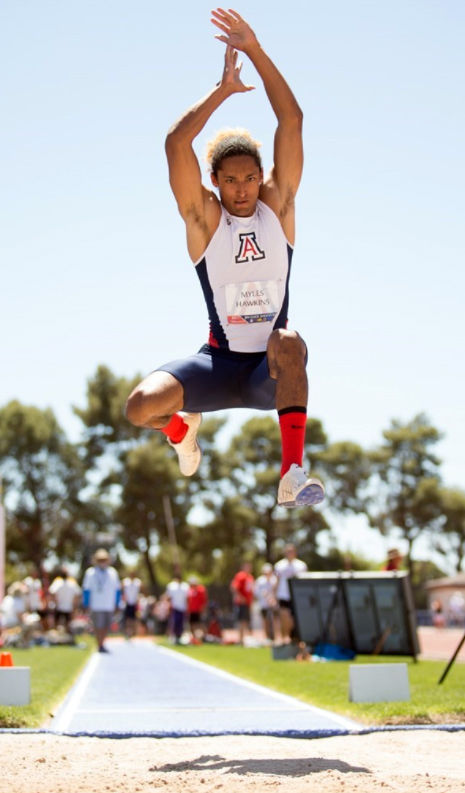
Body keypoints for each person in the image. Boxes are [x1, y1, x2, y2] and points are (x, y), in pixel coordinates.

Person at [125, 8, 325, 510]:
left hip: (267, 375)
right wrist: (222, 90)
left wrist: (254, 49)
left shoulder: (279, 209)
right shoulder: (204, 221)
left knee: (290, 340)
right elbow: (176, 143)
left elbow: (292, 120)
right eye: (230, 180)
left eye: (250, 178)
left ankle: (292, 473)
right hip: (216, 366)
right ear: (214, 181)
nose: (242, 189)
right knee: (139, 407)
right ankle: (181, 432)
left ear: (262, 178)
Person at [82, 549, 121, 653]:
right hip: (96, 605)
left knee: (106, 626)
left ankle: (101, 643)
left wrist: (117, 603)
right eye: (100, 560)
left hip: (109, 604)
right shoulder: (90, 573)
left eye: (104, 560)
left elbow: (117, 589)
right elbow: (86, 589)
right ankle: (100, 644)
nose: (102, 562)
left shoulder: (112, 572)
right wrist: (86, 603)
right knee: (98, 625)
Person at [274, 543, 307, 643]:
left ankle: (295, 638)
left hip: (296, 596)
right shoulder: (279, 565)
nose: (290, 553)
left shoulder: (301, 565)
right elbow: (277, 581)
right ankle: (285, 638)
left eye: (291, 551)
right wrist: (274, 595)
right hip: (283, 595)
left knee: (294, 619)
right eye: (288, 551)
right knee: (284, 616)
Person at [230, 561, 255, 644]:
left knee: (247, 621)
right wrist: (240, 597)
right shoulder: (240, 576)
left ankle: (247, 638)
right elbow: (234, 587)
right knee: (241, 621)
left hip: (248, 603)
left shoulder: (250, 577)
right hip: (241, 603)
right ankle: (241, 639)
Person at [254, 562, 278, 642]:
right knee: (265, 621)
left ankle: (276, 637)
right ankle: (267, 637)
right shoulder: (260, 580)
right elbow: (256, 592)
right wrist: (264, 595)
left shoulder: (274, 580)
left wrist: (273, 598)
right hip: (263, 604)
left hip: (273, 604)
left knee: (275, 621)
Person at [166, 572, 190, 644]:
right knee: (174, 622)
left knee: (181, 623)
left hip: (183, 608)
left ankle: (179, 636)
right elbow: (168, 597)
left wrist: (187, 607)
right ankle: (173, 636)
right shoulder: (171, 586)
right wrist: (169, 606)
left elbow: (187, 598)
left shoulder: (185, 586)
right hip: (175, 607)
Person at [187, 575, 208, 642]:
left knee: (199, 624)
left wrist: (203, 609)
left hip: (198, 610)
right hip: (192, 610)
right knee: (191, 624)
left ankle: (205, 636)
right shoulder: (190, 590)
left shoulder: (200, 589)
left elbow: (203, 601)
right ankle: (194, 637)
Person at [121, 571, 142, 638]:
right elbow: (122, 588)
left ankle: (133, 632)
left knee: (134, 619)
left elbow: (140, 590)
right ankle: (128, 632)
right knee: (127, 619)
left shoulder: (137, 582)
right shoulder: (126, 581)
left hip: (134, 603)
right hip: (127, 603)